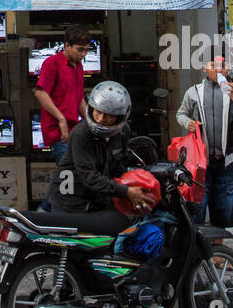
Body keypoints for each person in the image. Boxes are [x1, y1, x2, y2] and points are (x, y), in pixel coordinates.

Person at [40, 81, 155, 233]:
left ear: (120, 117)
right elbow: (90, 177)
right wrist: (126, 191)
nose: (101, 119)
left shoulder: (123, 132)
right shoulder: (81, 134)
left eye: (108, 115)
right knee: (75, 249)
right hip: (68, 201)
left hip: (96, 199)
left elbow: (119, 166)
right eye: (98, 112)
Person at [175, 56, 233, 228]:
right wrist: (187, 123)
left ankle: (219, 252)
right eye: (213, 65)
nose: (218, 69)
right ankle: (198, 249)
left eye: (223, 65)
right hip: (199, 164)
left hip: (225, 162)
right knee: (196, 210)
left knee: (223, 212)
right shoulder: (194, 92)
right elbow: (180, 114)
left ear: (228, 70)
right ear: (204, 69)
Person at [33, 26, 91, 210]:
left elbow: (79, 97)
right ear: (67, 46)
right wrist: (61, 119)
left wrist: (92, 122)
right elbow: (40, 93)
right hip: (58, 131)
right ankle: (53, 212)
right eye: (79, 49)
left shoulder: (78, 66)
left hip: (74, 130)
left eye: (86, 50)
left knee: (67, 172)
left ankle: (46, 210)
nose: (83, 54)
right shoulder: (52, 63)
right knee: (68, 172)